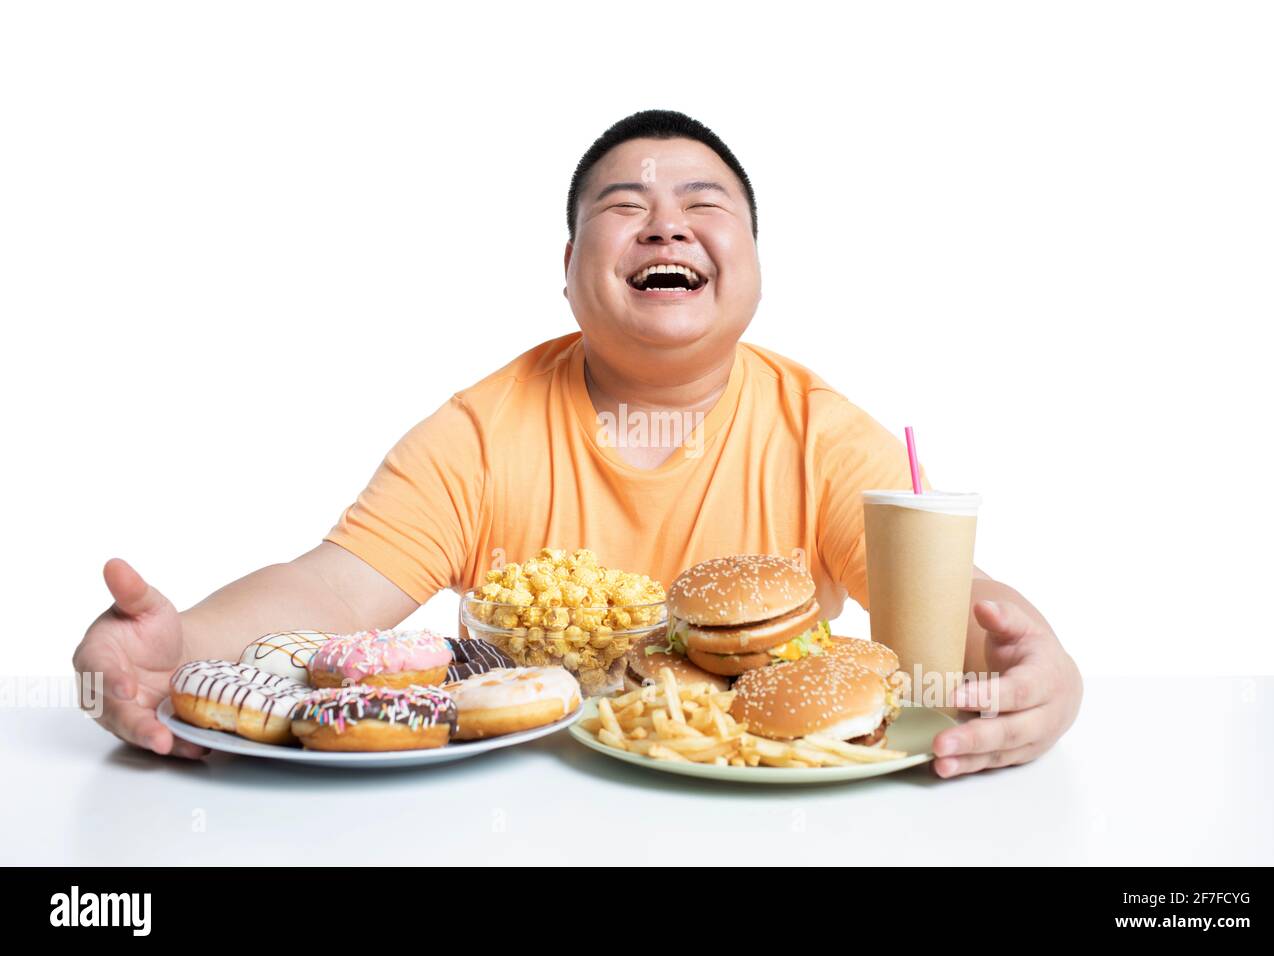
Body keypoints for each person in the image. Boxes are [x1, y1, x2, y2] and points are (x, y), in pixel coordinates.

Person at [73, 110, 1082, 777]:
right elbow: (335, 592)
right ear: (568, 266)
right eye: (624, 208)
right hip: (520, 817)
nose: (665, 228)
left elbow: (946, 609)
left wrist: (1042, 673)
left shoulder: (822, 430)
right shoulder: (482, 427)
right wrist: (184, 641)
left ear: (755, 264)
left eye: (702, 206)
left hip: (768, 818)